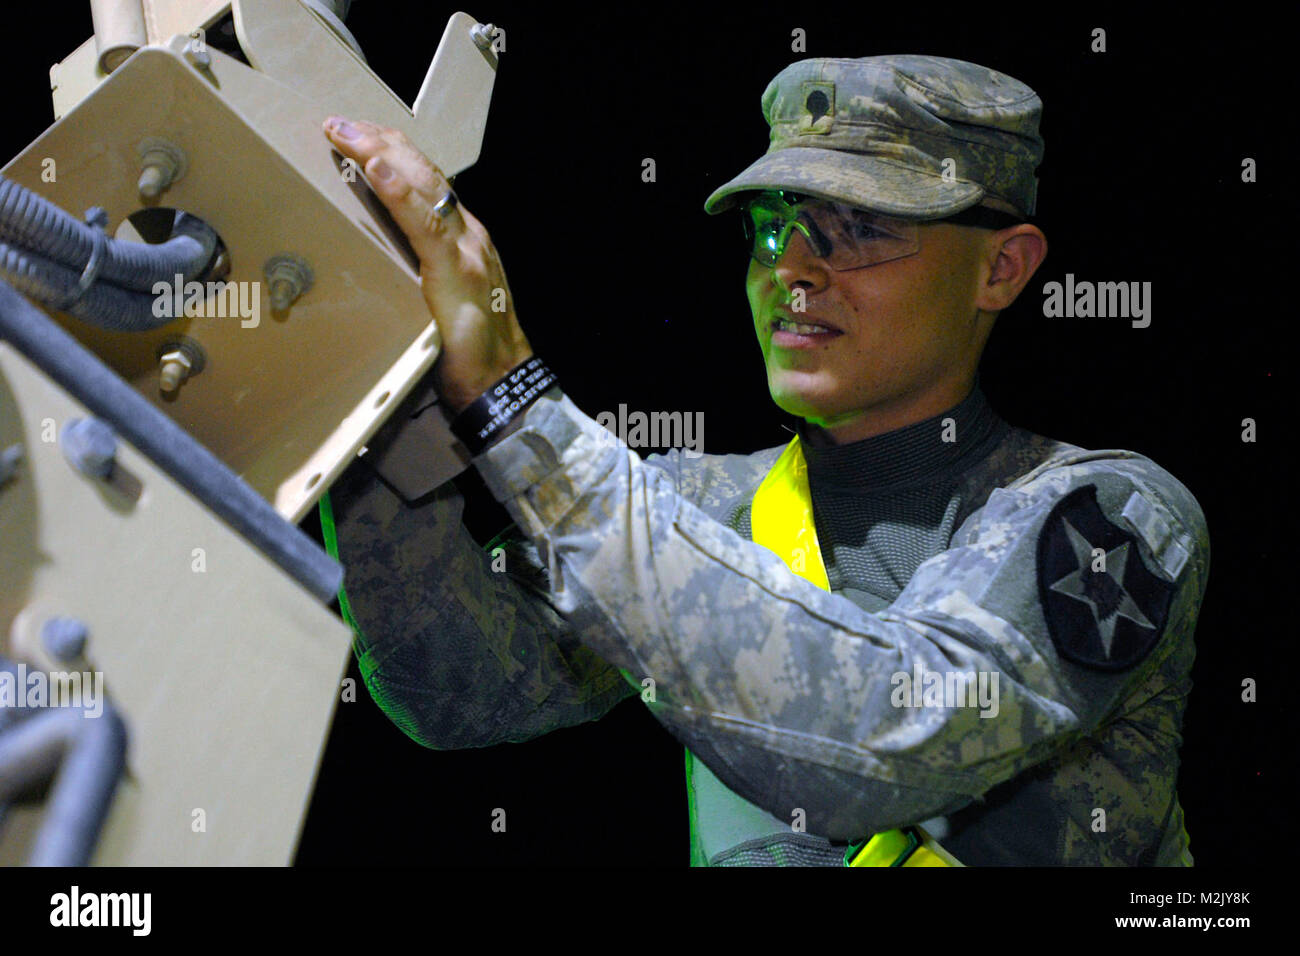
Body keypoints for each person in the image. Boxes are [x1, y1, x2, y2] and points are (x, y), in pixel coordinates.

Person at [319, 54, 1208, 866]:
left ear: (1002, 269)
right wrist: (369, 397)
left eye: (857, 228)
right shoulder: (697, 503)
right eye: (774, 226)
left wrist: (517, 404)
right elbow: (461, 689)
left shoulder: (1109, 518)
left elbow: (883, 739)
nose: (792, 268)